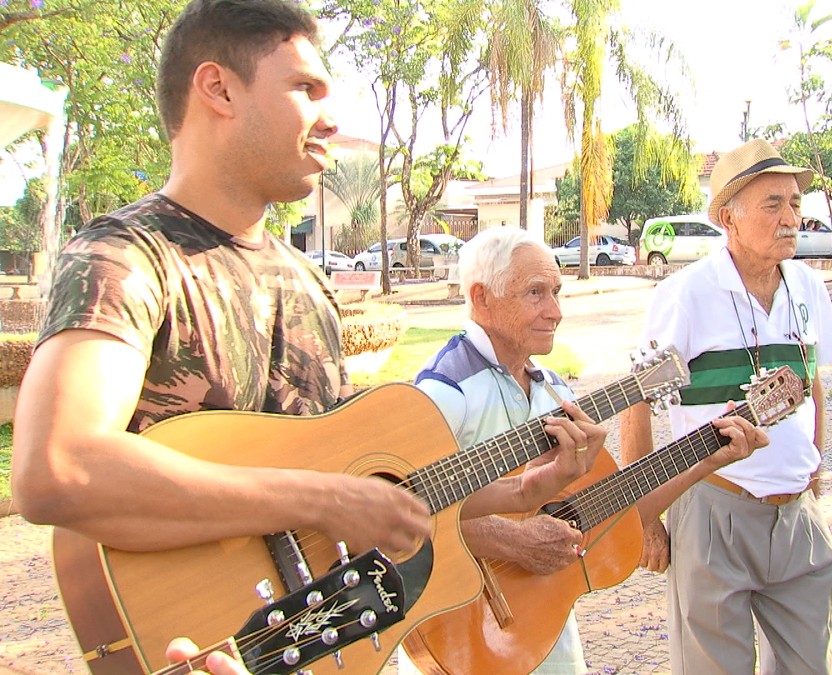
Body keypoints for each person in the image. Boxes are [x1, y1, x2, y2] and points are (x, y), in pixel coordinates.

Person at [11, 0, 592, 640]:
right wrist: (321, 500)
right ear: (218, 89)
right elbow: (57, 469)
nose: (331, 118)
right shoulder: (127, 258)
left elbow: (366, 481)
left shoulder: (308, 280)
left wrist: (529, 486)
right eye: (304, 88)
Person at [401, 227, 767, 673]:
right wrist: (512, 539)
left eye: (557, 292)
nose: (555, 311)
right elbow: (399, 517)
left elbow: (614, 518)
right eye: (536, 293)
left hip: (550, 645)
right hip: (461, 640)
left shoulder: (557, 394)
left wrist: (707, 457)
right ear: (482, 298)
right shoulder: (443, 393)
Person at [620, 138, 832, 673]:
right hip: (713, 509)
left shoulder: (809, 287)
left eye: (795, 202)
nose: (791, 217)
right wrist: (646, 519)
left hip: (797, 518)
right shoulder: (687, 293)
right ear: (729, 218)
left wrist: (814, 467)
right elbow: (636, 403)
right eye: (774, 204)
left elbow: (814, 386)